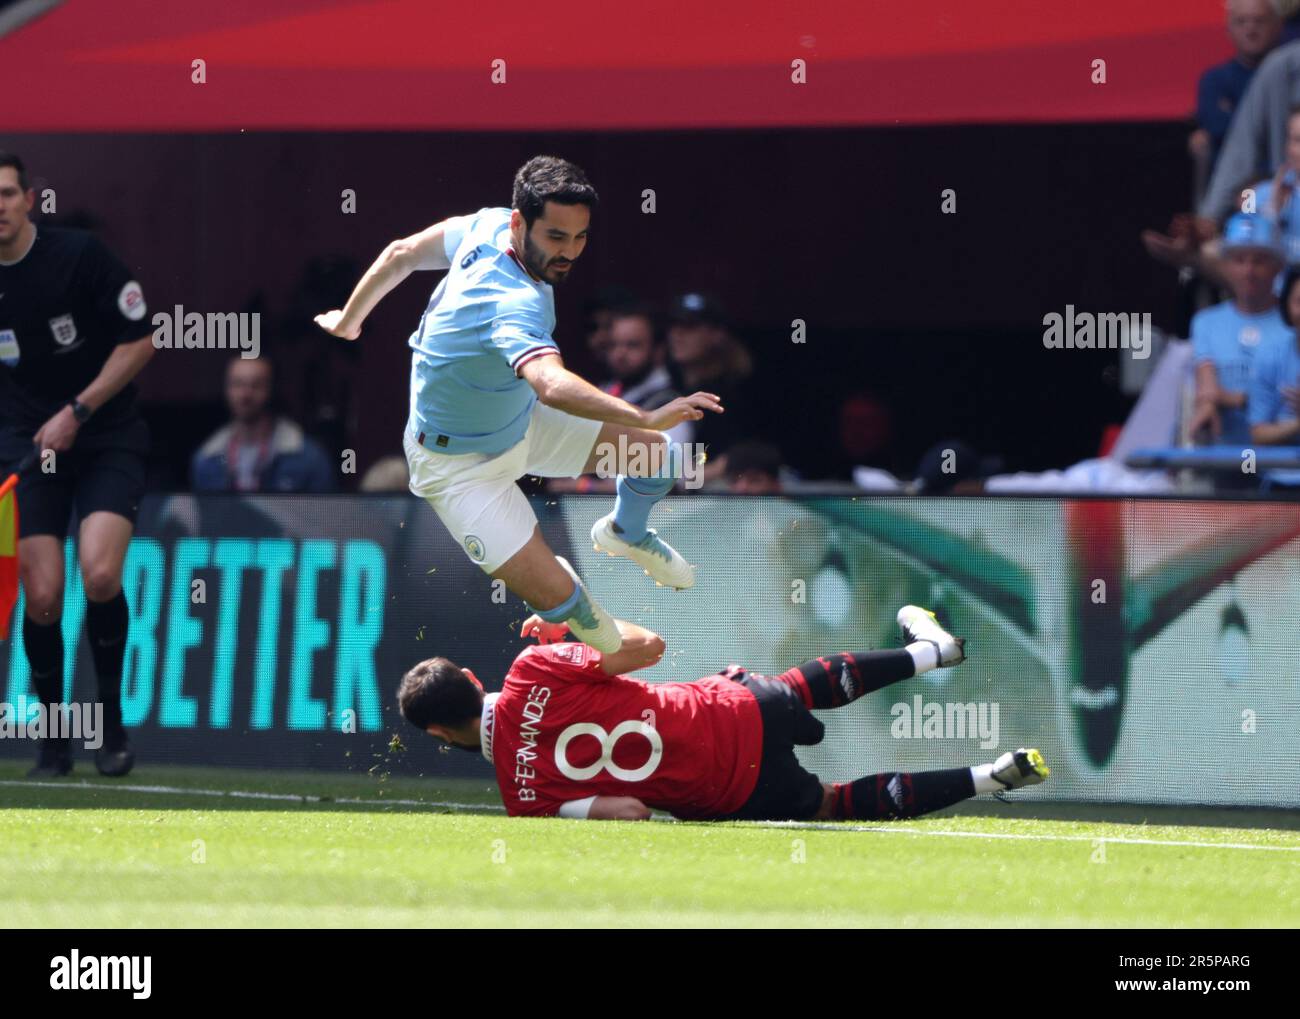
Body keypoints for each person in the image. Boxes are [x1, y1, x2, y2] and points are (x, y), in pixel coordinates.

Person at [315, 156, 723, 653]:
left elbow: (402, 253)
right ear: (519, 221)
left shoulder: (485, 226)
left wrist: (350, 321)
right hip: (459, 470)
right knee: (580, 615)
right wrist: (642, 414)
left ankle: (625, 532)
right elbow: (549, 383)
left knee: (655, 457)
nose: (569, 252)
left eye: (580, 237)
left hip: (521, 422)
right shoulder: (514, 304)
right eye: (556, 237)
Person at [397, 604, 1049, 822]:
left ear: (436, 733)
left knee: (831, 802)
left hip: (730, 791)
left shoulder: (523, 797)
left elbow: (631, 812)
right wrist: (577, 621)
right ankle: (931, 653)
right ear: (475, 678)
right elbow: (650, 647)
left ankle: (990, 775)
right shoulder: (531, 667)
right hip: (732, 712)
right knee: (796, 685)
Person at [0, 152, 155, 777]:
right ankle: (56, 740)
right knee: (40, 597)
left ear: (30, 198)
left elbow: (145, 337)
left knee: (97, 576)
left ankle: (111, 726)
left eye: (7, 194)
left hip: (105, 435)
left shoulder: (80, 257)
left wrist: (78, 411)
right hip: (25, 442)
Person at [1188, 214, 1291, 449]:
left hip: (1284, 461)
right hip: (1225, 456)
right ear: (1225, 266)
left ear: (1278, 266)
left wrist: (1230, 398)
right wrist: (1208, 404)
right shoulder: (1206, 322)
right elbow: (1207, 385)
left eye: (1259, 261)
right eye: (1239, 260)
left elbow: (1290, 402)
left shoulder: (1292, 322)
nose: (1248, 271)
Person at [190, 357, 336, 492]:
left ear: (271, 390)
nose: (245, 394)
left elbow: (325, 516)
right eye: (237, 384)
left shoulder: (309, 458)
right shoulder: (207, 459)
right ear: (227, 390)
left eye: (256, 385)